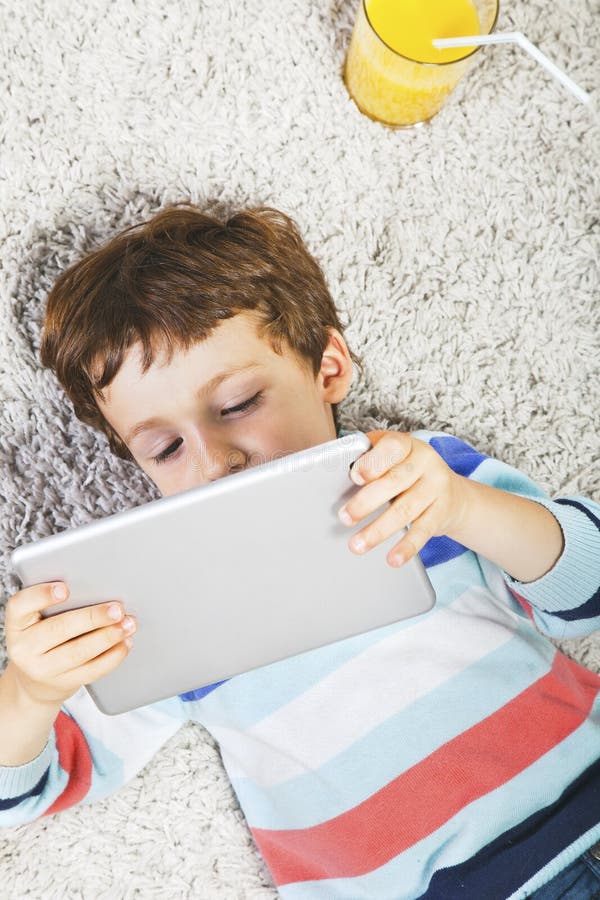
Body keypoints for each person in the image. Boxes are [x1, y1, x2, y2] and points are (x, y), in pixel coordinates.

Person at [1, 203, 599, 900]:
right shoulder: (163, 605)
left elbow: (585, 587)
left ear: (329, 368)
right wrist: (30, 689)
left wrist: (464, 507)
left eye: (239, 402)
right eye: (164, 448)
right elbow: (24, 789)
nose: (215, 457)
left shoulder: (414, 476)